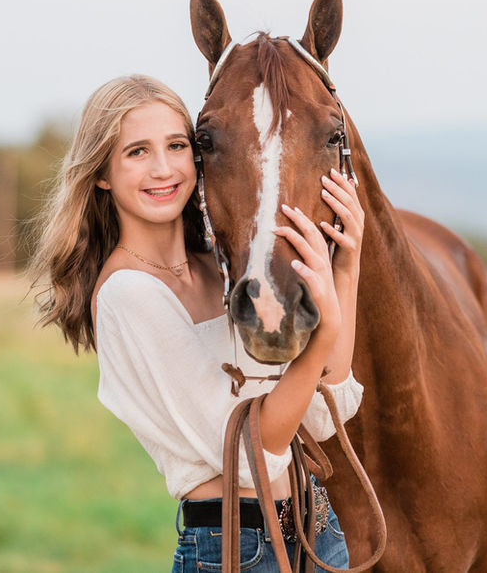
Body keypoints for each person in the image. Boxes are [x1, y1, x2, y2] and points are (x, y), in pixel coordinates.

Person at [30, 74, 366, 571]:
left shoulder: (226, 272)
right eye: (137, 152)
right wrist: (325, 335)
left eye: (177, 145)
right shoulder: (129, 295)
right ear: (101, 173)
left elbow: (323, 412)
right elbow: (253, 455)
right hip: (239, 550)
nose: (163, 168)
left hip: (320, 533)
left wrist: (346, 268)